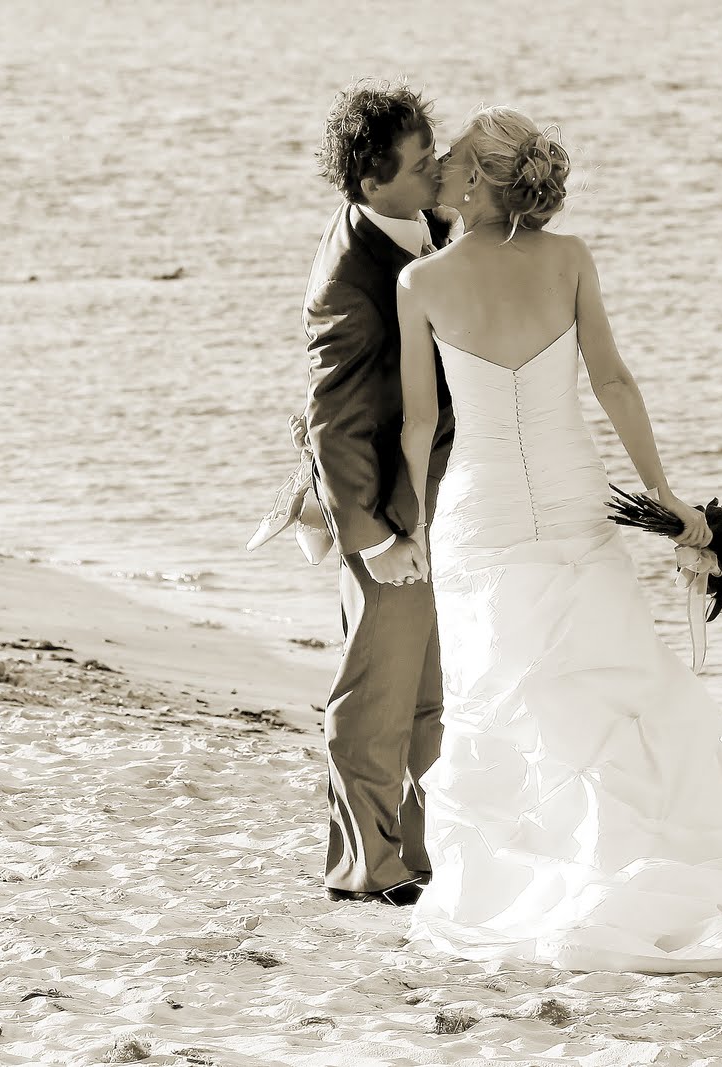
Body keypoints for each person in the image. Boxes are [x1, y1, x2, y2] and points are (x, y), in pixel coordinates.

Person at [394, 105, 722, 973]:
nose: (445, 171)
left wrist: (411, 524)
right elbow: (611, 378)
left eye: (456, 159)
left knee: (507, 693)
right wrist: (663, 492)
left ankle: (538, 876)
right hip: (574, 499)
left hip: (482, 512)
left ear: (480, 180)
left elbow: (421, 422)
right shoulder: (570, 259)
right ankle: (623, 865)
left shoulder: (420, 283)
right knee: (609, 686)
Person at [302, 79, 456, 906]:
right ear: (371, 182)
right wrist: (374, 536)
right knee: (376, 694)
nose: (438, 173)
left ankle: (422, 853)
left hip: (436, 497)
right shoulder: (348, 283)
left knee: (431, 690)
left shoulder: (424, 225)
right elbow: (333, 423)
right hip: (385, 512)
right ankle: (364, 866)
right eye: (423, 163)